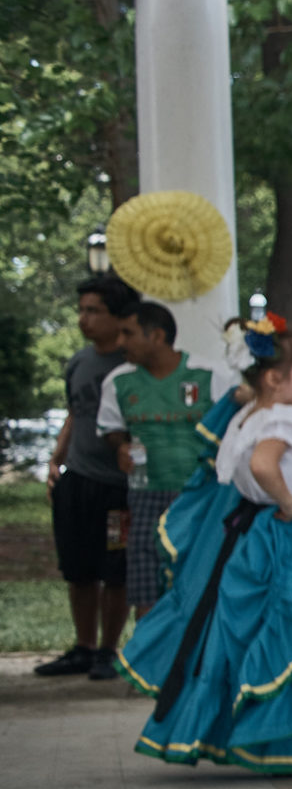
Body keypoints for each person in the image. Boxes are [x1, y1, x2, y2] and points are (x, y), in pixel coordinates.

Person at [114, 317, 292, 776]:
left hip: (247, 534)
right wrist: (291, 506)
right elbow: (263, 465)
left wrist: (254, 387)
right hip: (283, 534)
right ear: (277, 378)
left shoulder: (250, 412)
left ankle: (286, 740)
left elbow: (243, 409)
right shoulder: (281, 418)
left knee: (259, 637)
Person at [96, 301, 239, 619]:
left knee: (199, 578)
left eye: (128, 334)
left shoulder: (209, 375)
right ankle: (150, 662)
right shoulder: (118, 382)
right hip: (145, 494)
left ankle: (192, 659)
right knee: (146, 581)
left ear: (157, 336)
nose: (120, 343)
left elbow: (235, 430)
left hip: (199, 496)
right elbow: (111, 429)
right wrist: (119, 446)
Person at [39, 271, 139, 678]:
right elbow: (75, 413)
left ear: (118, 317)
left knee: (115, 571)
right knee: (78, 569)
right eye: (81, 311)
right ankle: (82, 646)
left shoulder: (133, 365)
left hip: (118, 488)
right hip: (77, 480)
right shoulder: (79, 362)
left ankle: (107, 650)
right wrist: (56, 460)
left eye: (93, 311)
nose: (84, 319)